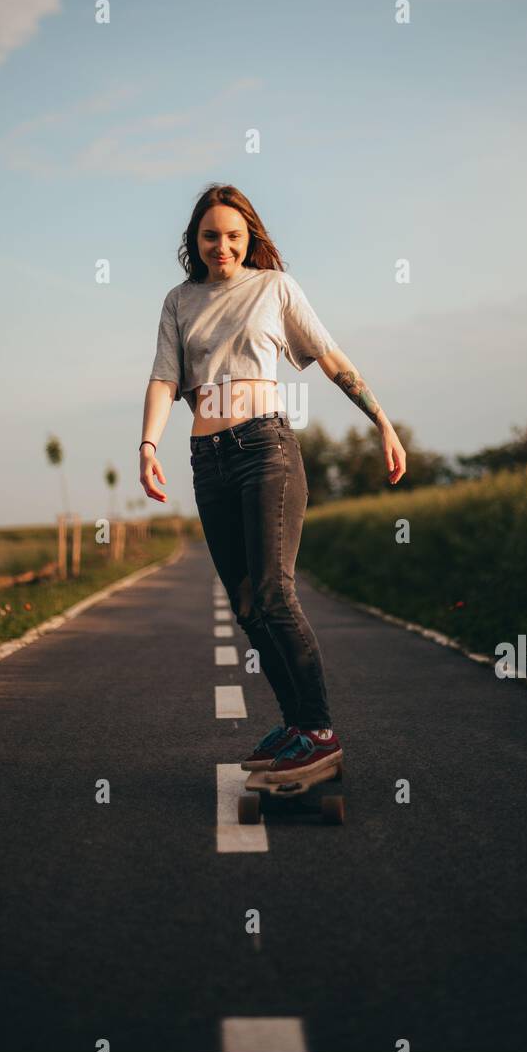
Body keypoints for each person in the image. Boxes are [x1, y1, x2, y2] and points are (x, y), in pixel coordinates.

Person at [140, 183, 406, 781]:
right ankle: (296, 727)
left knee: (274, 591)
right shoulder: (178, 301)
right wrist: (148, 445)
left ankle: (319, 732)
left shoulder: (274, 288)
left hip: (266, 449)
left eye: (234, 236)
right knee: (245, 603)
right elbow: (163, 379)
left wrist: (382, 422)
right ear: (195, 240)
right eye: (211, 236)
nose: (222, 246)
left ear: (250, 237)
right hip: (207, 458)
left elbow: (333, 358)